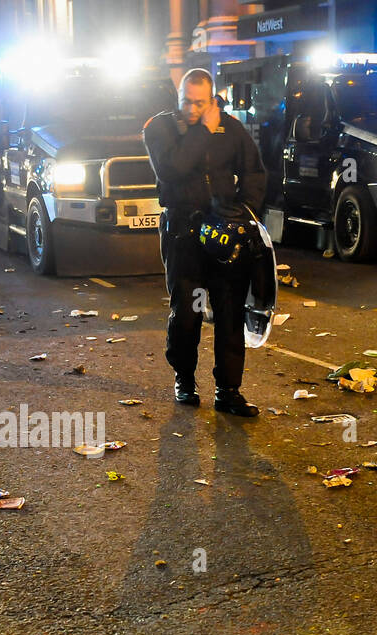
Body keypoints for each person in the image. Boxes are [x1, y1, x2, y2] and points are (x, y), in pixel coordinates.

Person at [144, 68, 267, 417]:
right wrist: (204, 129)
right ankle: (184, 378)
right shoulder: (159, 128)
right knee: (188, 311)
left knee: (230, 311)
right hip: (184, 234)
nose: (192, 109)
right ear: (178, 97)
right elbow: (174, 168)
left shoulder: (232, 128)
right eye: (187, 101)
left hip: (226, 234)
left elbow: (255, 172)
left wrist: (244, 211)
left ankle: (228, 390)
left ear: (212, 100)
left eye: (200, 103)